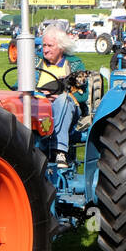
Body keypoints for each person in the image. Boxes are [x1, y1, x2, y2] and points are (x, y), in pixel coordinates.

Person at [35, 27, 87, 167]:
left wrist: (57, 95)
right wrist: (39, 95)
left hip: (67, 108)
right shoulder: (36, 63)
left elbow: (83, 96)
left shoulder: (74, 64)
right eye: (44, 45)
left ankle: (59, 150)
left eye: (50, 46)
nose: (45, 50)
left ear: (61, 47)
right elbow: (18, 87)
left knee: (63, 100)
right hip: (38, 106)